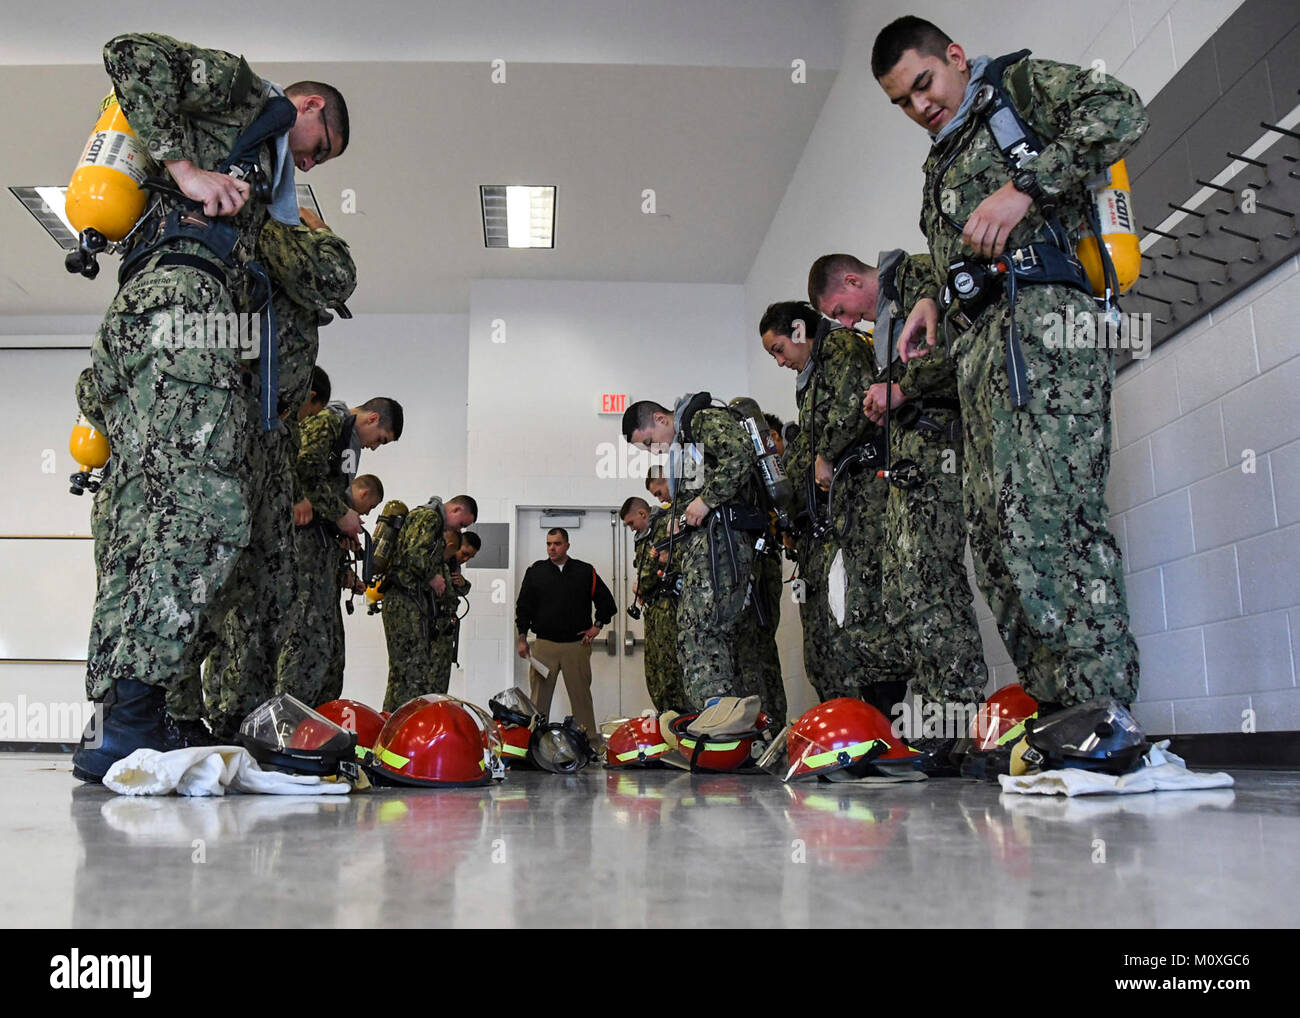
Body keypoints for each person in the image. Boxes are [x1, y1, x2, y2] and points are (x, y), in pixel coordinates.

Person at [73, 31, 351, 781]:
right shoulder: (249, 95)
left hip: (179, 320)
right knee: (204, 512)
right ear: (311, 106)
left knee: (154, 520)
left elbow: (320, 282)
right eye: (320, 148)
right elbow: (132, 53)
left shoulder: (261, 173)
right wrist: (184, 169)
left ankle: (128, 717)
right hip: (180, 303)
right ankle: (128, 717)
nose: (312, 164)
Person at [872, 15, 1145, 711]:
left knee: (1051, 521)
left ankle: (1105, 717)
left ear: (955, 57)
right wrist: (934, 299)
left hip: (1045, 332)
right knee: (999, 544)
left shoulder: (1016, 89)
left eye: (923, 84)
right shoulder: (941, 159)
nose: (918, 106)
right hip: (981, 354)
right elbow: (962, 253)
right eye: (901, 101)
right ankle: (1058, 715)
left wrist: (1027, 184)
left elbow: (1118, 108)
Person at [809, 252, 988, 719]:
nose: (846, 324)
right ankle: (939, 717)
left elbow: (954, 339)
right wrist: (887, 395)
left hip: (935, 445)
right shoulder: (889, 313)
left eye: (841, 311)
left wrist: (901, 388)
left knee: (930, 582)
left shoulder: (913, 276)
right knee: (911, 588)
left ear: (852, 280)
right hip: (910, 454)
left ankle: (956, 717)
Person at [203, 208, 356, 738]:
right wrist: (316, 230)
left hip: (264, 445)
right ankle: (217, 719)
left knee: (263, 604)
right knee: (234, 604)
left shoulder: (288, 427)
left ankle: (247, 723)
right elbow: (335, 276)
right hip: (239, 441)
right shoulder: (263, 233)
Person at [759, 303, 911, 716]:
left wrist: (826, 454)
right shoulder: (811, 377)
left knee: (866, 614)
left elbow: (852, 405)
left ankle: (884, 723)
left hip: (864, 499)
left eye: (778, 349)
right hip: (835, 510)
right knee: (841, 624)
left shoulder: (840, 346)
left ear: (798, 329)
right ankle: (853, 721)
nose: (779, 361)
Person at [622, 398, 763, 710]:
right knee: (698, 633)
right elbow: (697, 497)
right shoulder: (685, 444)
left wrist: (707, 500)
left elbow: (740, 454)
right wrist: (682, 520)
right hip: (705, 547)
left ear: (660, 419)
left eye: (649, 441)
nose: (653, 450)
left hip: (720, 545)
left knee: (703, 632)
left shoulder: (700, 421)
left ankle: (724, 723)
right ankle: (720, 721)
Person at [277, 395, 401, 705]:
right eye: (381, 440)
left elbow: (327, 488)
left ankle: (308, 720)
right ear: (372, 419)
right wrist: (340, 514)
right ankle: (287, 721)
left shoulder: (348, 439)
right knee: (304, 643)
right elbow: (303, 471)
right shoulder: (329, 423)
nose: (375, 447)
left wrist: (339, 526)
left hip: (320, 546)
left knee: (325, 650)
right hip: (302, 546)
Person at [514, 528, 617, 740]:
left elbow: (607, 603)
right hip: (544, 647)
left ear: (567, 545)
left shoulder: (585, 571)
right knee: (539, 700)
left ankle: (587, 743)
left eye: (557, 543)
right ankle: (534, 743)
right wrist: (522, 638)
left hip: (576, 646)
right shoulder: (535, 572)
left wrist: (597, 625)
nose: (552, 548)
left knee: (581, 699)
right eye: (549, 543)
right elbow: (523, 607)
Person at [382, 496, 479, 711]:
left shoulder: (428, 519)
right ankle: (394, 727)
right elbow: (414, 554)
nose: (459, 529)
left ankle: (401, 726)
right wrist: (432, 577)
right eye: (462, 524)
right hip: (405, 603)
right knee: (408, 674)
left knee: (411, 674)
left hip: (412, 603)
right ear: (456, 509)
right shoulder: (430, 518)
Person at [621, 495, 687, 712]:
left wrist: (641, 585)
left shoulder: (664, 526)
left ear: (642, 514)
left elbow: (659, 564)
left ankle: (677, 718)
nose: (631, 529)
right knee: (654, 669)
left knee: (669, 668)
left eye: (631, 523)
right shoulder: (643, 535)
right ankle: (665, 717)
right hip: (653, 607)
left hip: (668, 607)